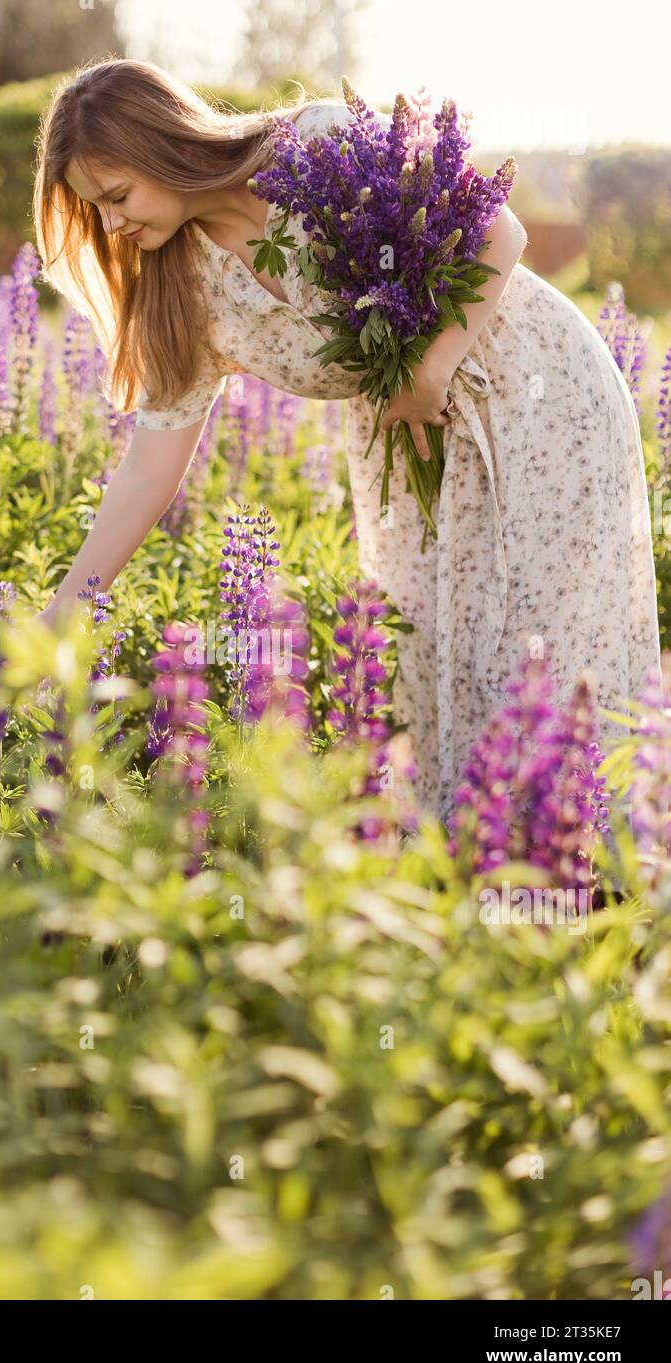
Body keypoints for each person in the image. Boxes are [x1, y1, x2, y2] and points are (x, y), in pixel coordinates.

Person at [33, 57, 662, 821]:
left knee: (544, 659)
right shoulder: (182, 288)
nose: (112, 225)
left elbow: (501, 230)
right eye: (94, 212)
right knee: (443, 673)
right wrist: (67, 608)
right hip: (415, 456)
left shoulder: (321, 145)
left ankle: (584, 894)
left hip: (539, 400)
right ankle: (480, 908)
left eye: (117, 195)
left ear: (166, 147)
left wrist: (428, 370)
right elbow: (148, 470)